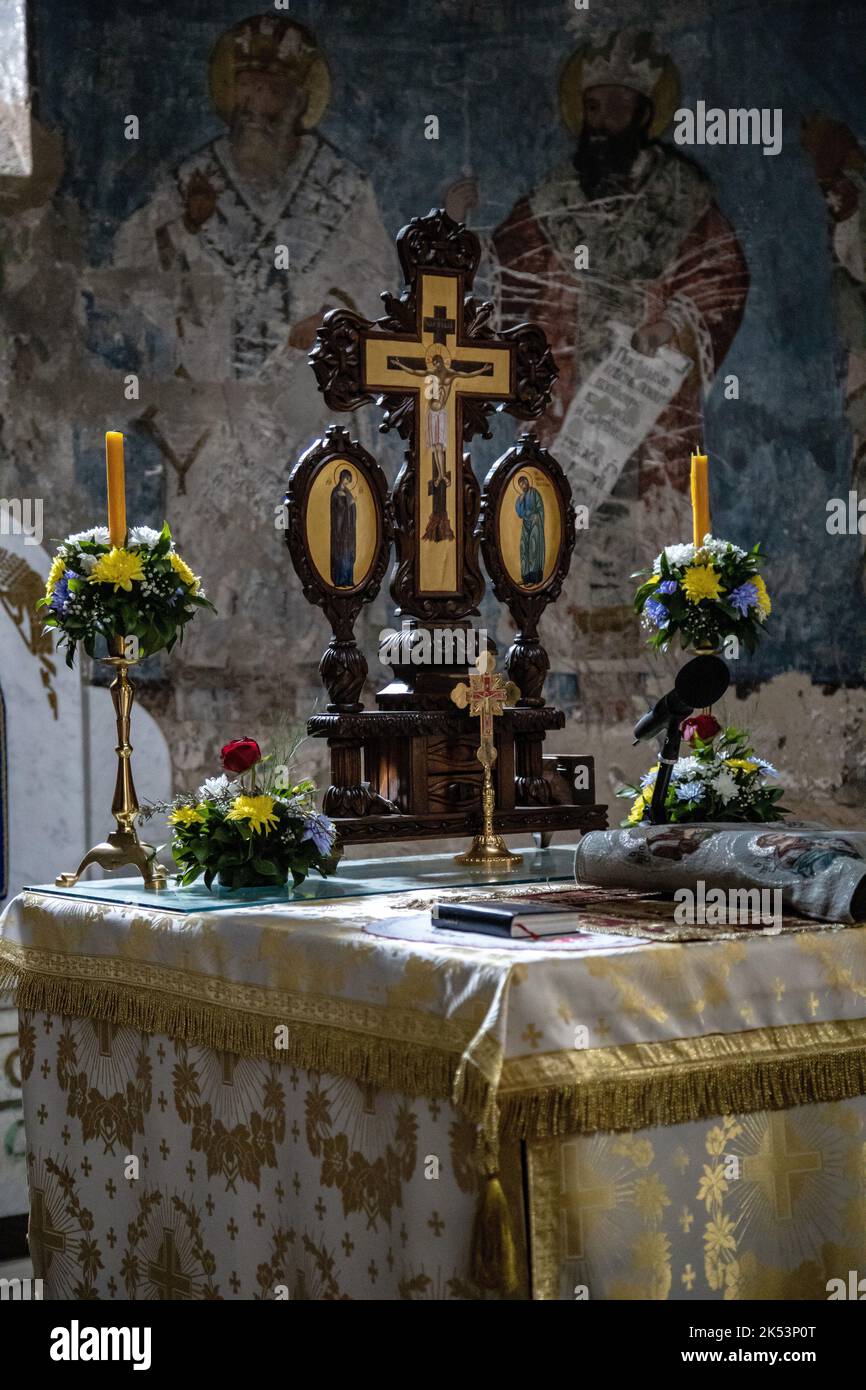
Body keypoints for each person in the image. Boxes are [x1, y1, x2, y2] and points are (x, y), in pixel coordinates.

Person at [516, 474, 545, 585]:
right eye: (521, 484)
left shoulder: (534, 493)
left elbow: (540, 508)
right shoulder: (521, 497)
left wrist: (536, 516)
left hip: (535, 524)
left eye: (525, 482)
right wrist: (520, 501)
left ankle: (534, 578)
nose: (523, 485)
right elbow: (519, 513)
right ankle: (526, 578)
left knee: (533, 549)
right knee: (524, 549)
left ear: (528, 482)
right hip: (526, 525)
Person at [329, 469, 356, 588]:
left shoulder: (346, 492)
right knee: (340, 554)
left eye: (348, 481)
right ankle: (340, 580)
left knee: (348, 553)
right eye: (346, 479)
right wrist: (344, 501)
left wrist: (350, 504)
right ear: (342, 477)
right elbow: (337, 511)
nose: (347, 483)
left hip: (348, 530)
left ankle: (348, 579)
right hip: (340, 529)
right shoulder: (335, 492)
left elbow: (352, 507)